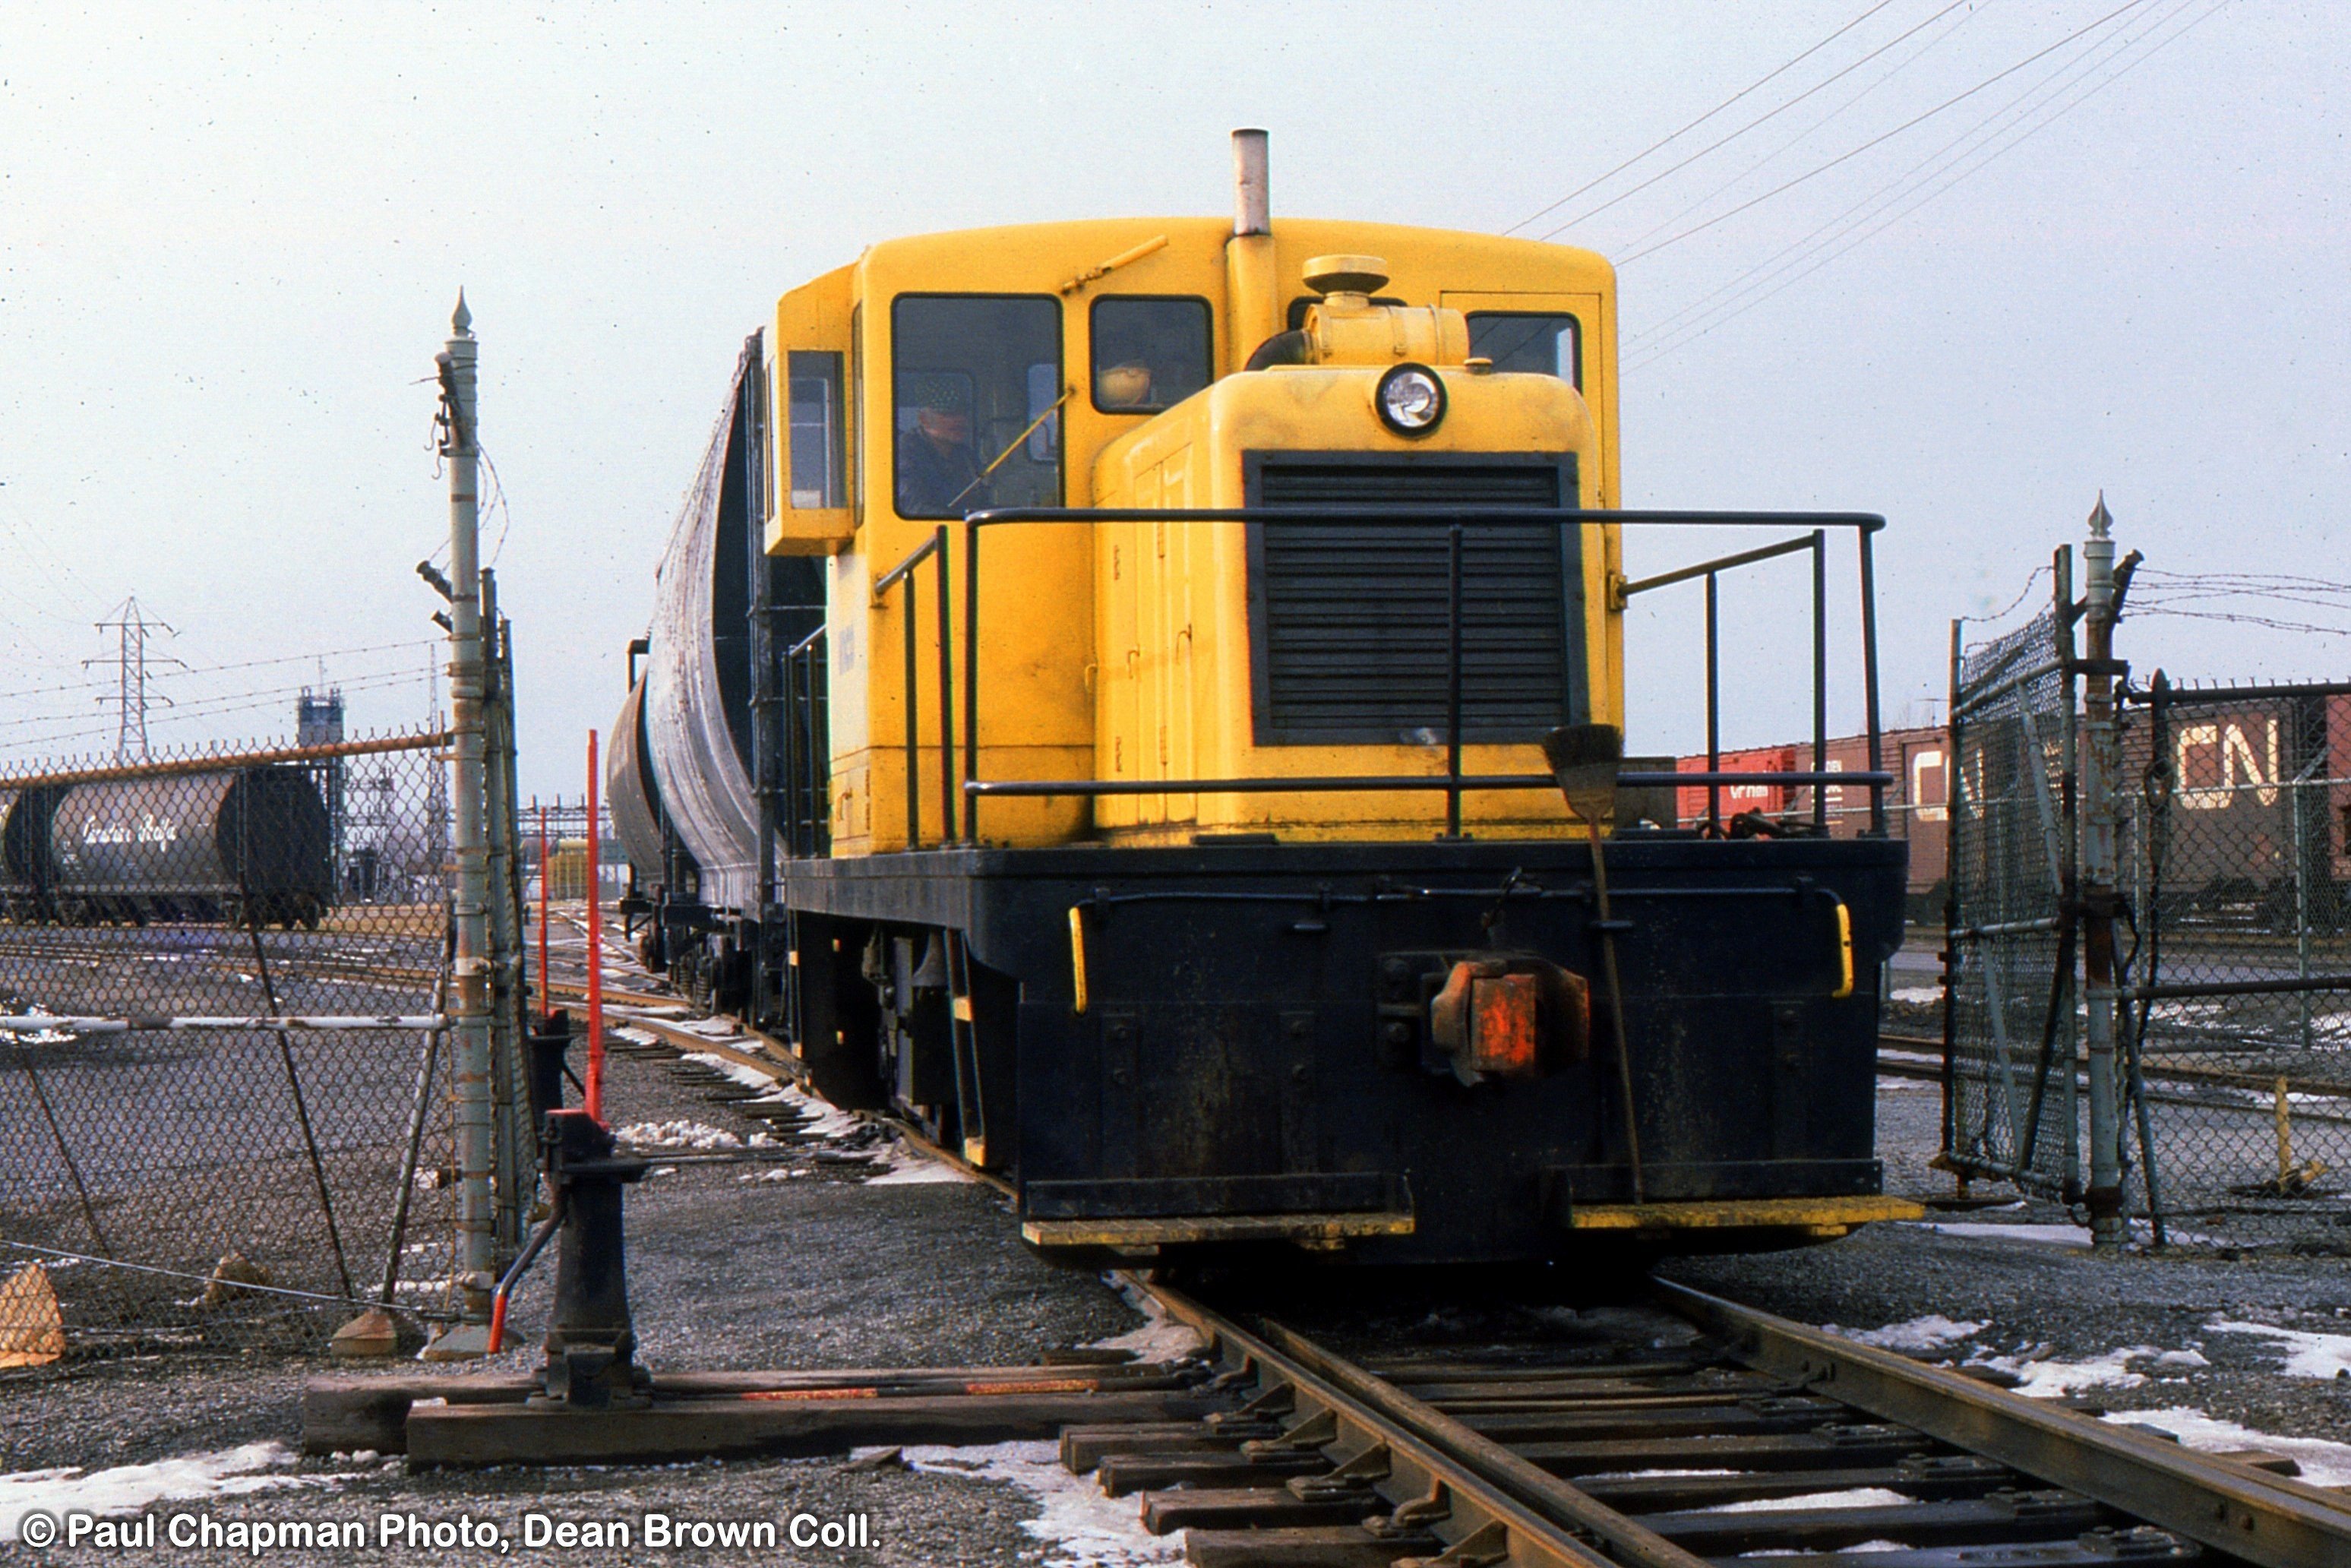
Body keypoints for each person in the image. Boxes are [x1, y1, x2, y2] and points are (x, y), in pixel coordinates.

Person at [896, 375, 990, 516]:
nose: (959, 420)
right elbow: (914, 508)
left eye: (962, 412)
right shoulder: (903, 454)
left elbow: (980, 504)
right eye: (947, 413)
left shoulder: (966, 457)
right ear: (924, 419)